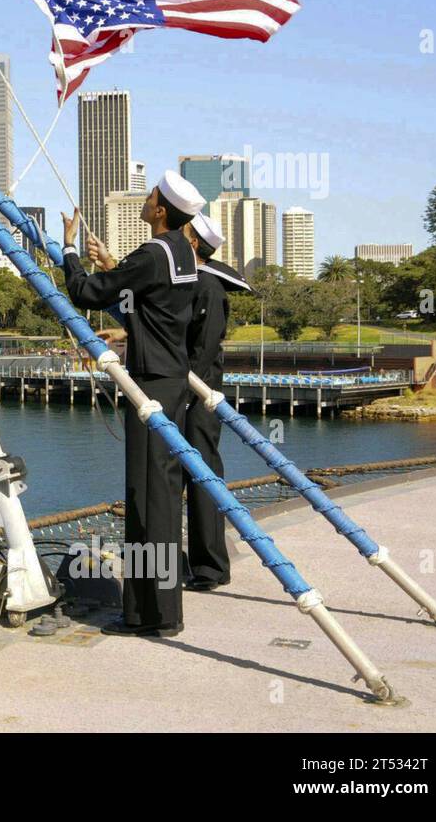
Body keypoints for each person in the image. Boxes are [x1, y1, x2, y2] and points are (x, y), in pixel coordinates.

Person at [60, 171, 204, 637]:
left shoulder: (152, 253)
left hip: (149, 387)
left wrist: (69, 252)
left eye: (150, 196)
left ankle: (152, 615)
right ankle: (158, 608)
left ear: (160, 210)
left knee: (148, 498)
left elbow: (86, 294)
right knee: (162, 493)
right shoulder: (181, 252)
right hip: (172, 379)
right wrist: (113, 266)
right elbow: (148, 304)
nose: (145, 199)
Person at [182, 213, 251, 591]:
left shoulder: (208, 287)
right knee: (187, 476)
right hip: (191, 391)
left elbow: (203, 350)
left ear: (193, 244)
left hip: (200, 394)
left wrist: (187, 392)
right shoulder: (192, 281)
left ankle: (210, 567)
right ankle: (199, 563)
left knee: (203, 476)